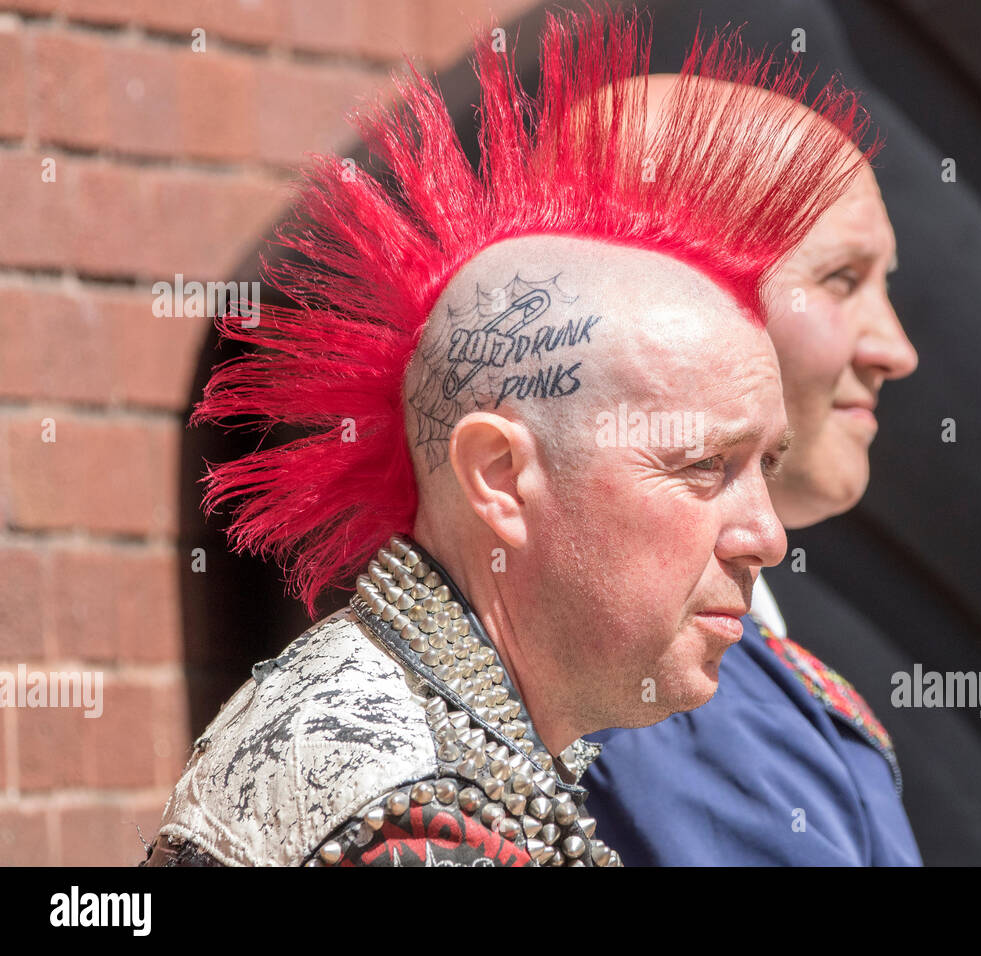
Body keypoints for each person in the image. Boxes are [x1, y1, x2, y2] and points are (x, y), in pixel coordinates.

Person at [140, 9, 868, 867]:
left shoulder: (444, 738)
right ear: (499, 475)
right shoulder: (413, 818)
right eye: (704, 466)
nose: (767, 538)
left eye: (765, 465)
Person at [582, 74, 923, 866]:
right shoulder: (654, 682)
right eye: (842, 279)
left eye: (884, 283)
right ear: (677, 304)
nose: (896, 350)